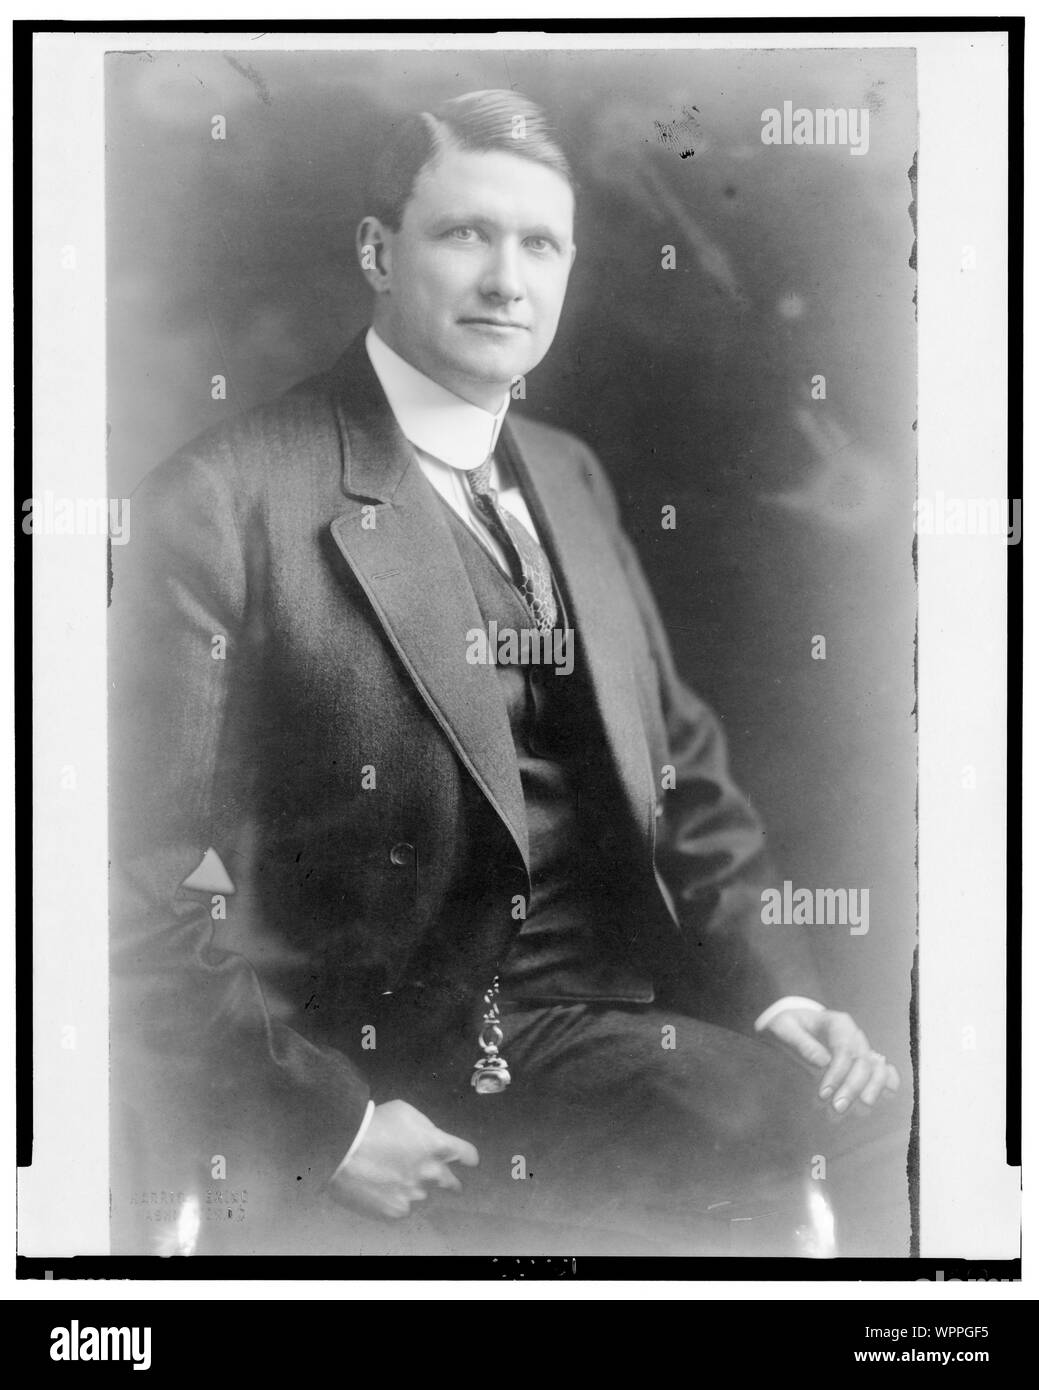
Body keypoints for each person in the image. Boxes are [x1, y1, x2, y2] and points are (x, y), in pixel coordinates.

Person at [109, 89, 907, 1257]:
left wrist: (776, 995)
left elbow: (685, 778)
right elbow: (131, 879)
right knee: (861, 1154)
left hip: (635, 1014)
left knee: (901, 1120)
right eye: (464, 233)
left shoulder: (567, 474)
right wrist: (322, 1119)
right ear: (378, 251)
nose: (506, 280)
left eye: (539, 244)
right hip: (408, 1062)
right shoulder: (224, 499)